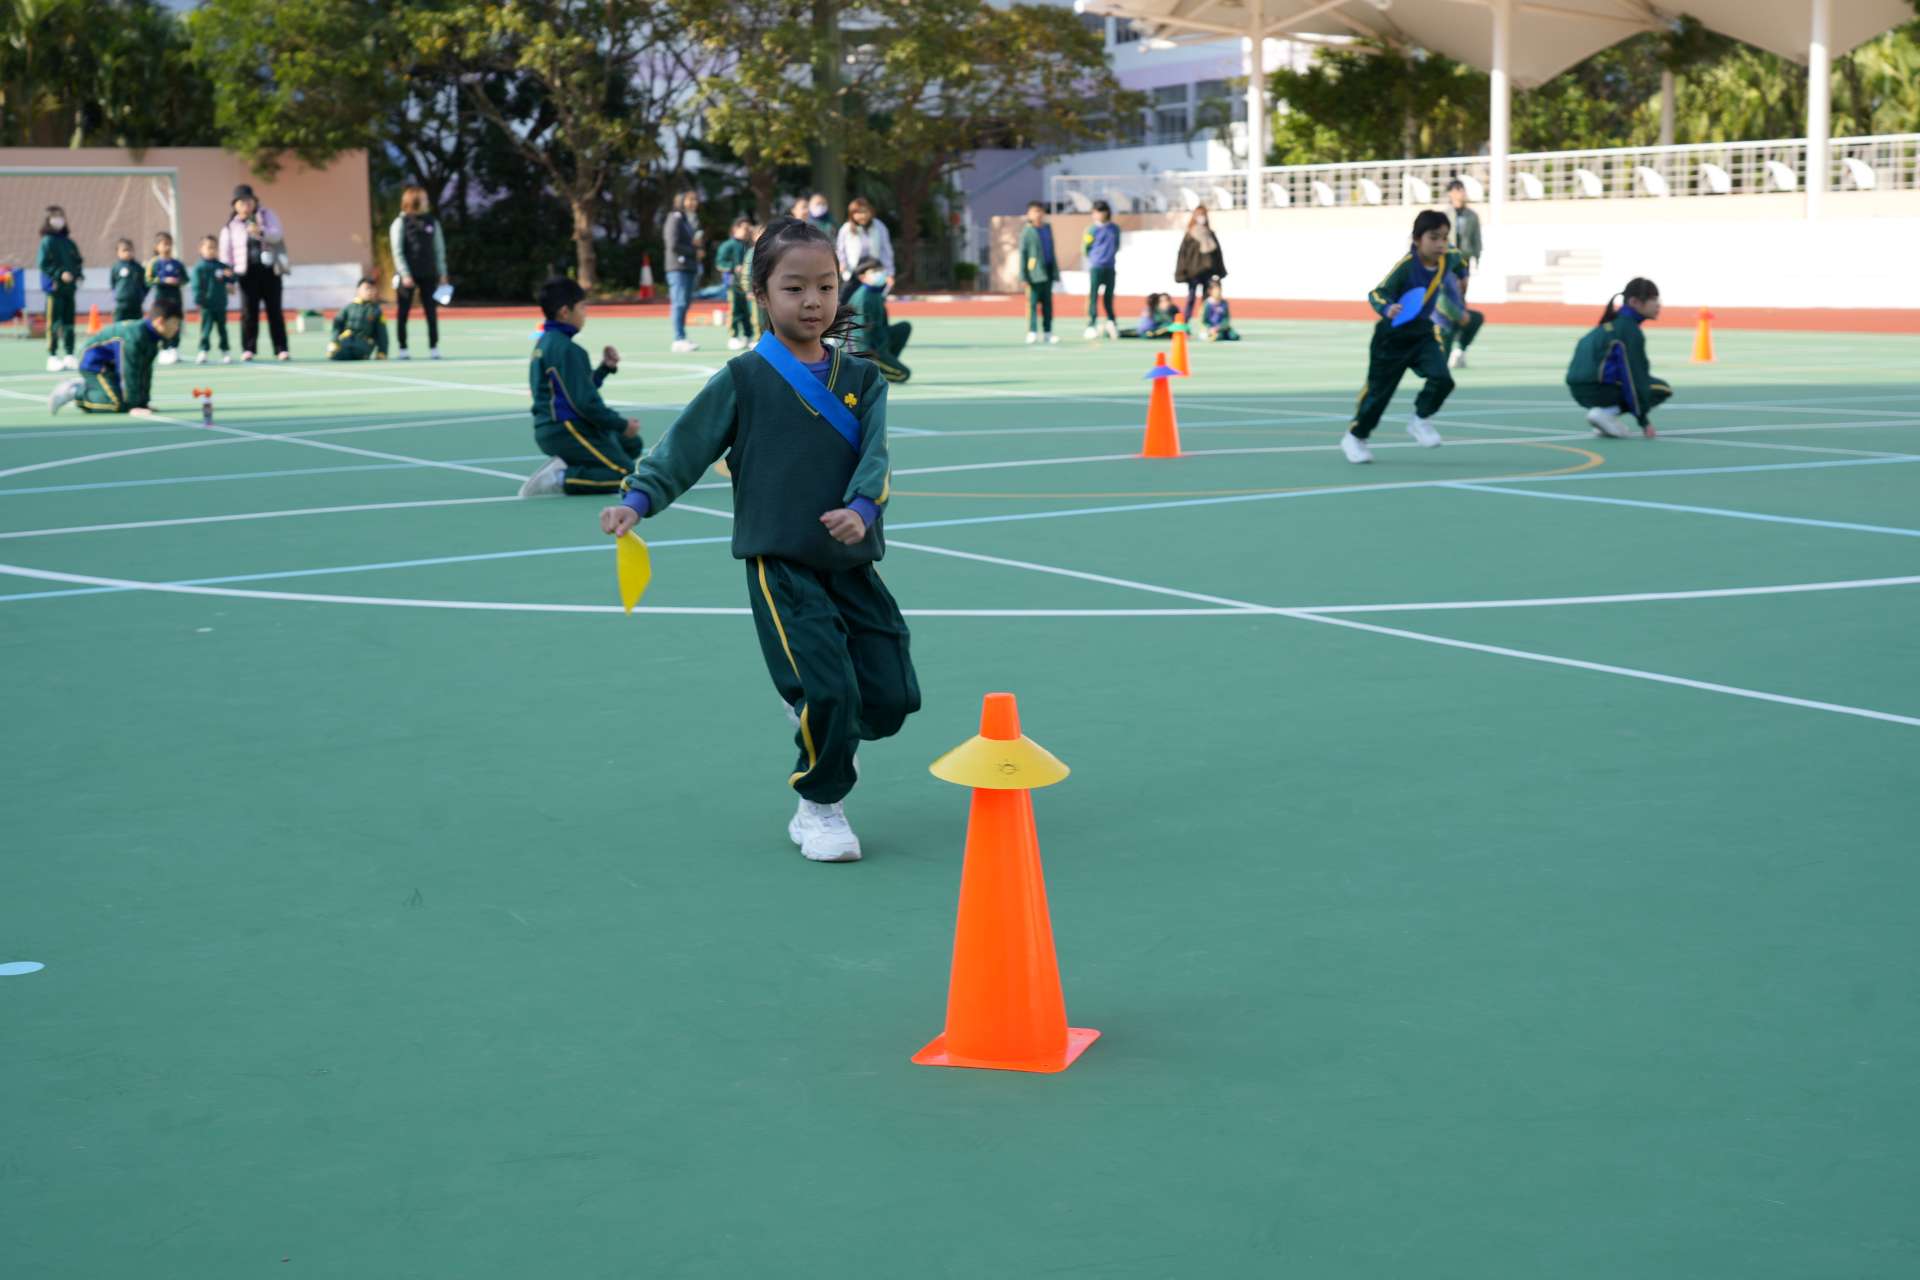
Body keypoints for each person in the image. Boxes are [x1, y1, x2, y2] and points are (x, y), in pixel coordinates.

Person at [600, 217, 917, 863]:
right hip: (782, 563)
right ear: (762, 296)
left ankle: (811, 710)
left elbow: (876, 462)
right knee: (831, 692)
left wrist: (861, 507)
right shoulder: (744, 378)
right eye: (794, 287)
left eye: (826, 287)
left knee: (889, 700)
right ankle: (820, 805)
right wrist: (638, 499)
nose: (812, 302)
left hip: (851, 562)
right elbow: (684, 447)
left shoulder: (864, 378)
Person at [1340, 210, 1465, 464]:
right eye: (1434, 238)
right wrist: (1388, 308)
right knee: (1378, 395)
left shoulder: (1448, 257)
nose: (1441, 243)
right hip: (1392, 339)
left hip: (1422, 335)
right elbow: (1377, 293)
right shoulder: (1406, 267)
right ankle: (1355, 436)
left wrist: (1463, 279)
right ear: (1418, 239)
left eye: (1444, 237)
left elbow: (1460, 261)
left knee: (1442, 379)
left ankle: (1420, 419)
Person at [519, 277, 642, 497]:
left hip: (554, 427)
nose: (585, 313)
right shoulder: (568, 350)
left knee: (631, 445)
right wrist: (620, 424)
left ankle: (578, 465)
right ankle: (560, 478)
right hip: (566, 428)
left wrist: (604, 369)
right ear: (565, 312)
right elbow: (585, 403)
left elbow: (575, 389)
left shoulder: (547, 342)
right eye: (582, 307)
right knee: (625, 475)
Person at [1567, 277, 1671, 439]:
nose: (1658, 305)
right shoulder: (1629, 330)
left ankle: (1604, 417)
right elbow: (1634, 377)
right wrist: (1644, 421)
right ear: (1634, 302)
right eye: (1652, 299)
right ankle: (1605, 413)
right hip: (1599, 390)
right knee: (1661, 389)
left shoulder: (1612, 324)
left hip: (1578, 390)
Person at [48, 296, 182, 416]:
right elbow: (128, 372)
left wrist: (143, 403)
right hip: (93, 363)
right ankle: (76, 391)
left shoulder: (153, 338)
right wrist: (133, 406)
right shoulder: (135, 337)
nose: (177, 328)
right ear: (160, 321)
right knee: (117, 403)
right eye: (175, 323)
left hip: (112, 365)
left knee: (124, 399)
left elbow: (145, 371)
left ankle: (94, 388)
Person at [219, 184, 290, 361]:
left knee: (274, 310)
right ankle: (248, 348)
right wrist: (227, 272)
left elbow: (278, 234)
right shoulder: (230, 226)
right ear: (235, 205)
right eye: (241, 202)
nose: (245, 205)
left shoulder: (266, 215)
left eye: (248, 201)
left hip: (270, 271)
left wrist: (261, 230)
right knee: (248, 312)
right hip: (246, 273)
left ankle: (281, 348)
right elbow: (225, 252)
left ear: (254, 202)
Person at [389, 185, 449, 361]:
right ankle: (403, 347)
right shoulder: (400, 222)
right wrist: (405, 274)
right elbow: (397, 251)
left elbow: (439, 249)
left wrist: (442, 272)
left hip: (429, 274)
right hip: (407, 276)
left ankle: (433, 346)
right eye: (423, 198)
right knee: (403, 312)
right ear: (413, 200)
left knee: (431, 312)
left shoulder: (432, 222)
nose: (426, 201)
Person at [1444, 180, 1485, 370]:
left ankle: (1459, 348)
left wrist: (1476, 257)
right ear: (1450, 193)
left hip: (1463, 262)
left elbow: (1477, 238)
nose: (1461, 193)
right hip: (1446, 262)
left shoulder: (1472, 215)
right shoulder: (1443, 215)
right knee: (1447, 301)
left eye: (1462, 189)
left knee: (1461, 301)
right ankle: (1447, 347)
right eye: (1457, 189)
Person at [36, 205, 83, 372]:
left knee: (69, 323)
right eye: (54, 216)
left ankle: (70, 354)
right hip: (54, 289)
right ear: (48, 220)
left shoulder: (69, 242)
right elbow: (43, 264)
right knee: (54, 323)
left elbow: (77, 261)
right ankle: (52, 356)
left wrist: (78, 275)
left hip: (69, 289)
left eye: (61, 216)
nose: (58, 220)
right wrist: (59, 274)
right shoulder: (47, 241)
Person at [849, 256, 910, 383]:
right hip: (868, 349)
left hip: (879, 342)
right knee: (903, 374)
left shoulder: (876, 293)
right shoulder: (863, 298)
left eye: (880, 270)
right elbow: (857, 335)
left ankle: (887, 362)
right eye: (874, 272)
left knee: (904, 327)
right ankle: (873, 373)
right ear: (862, 277)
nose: (879, 274)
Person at [663, 190, 704, 353]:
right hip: (677, 267)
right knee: (679, 302)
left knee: (685, 302)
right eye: (690, 199)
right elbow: (672, 244)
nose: (694, 202)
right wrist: (694, 251)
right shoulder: (674, 218)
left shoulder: (688, 220)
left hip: (688, 267)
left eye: (696, 199)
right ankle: (678, 338)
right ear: (680, 200)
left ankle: (682, 336)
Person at [1175, 204, 1227, 323]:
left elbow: (1217, 254)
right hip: (1193, 273)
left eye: (1203, 215)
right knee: (1191, 299)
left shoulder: (1210, 234)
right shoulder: (1190, 235)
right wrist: (1182, 272)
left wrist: (1220, 271)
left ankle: (1206, 324)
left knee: (1206, 300)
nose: (1201, 218)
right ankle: (1185, 323)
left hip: (1207, 272)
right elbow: (1183, 255)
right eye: (1199, 215)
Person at [835, 197, 894, 300]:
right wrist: (842, 264)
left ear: (870, 212)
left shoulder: (879, 226)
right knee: (844, 299)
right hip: (852, 271)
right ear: (851, 214)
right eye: (858, 213)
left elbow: (886, 250)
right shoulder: (846, 228)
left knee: (874, 300)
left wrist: (890, 273)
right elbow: (840, 250)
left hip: (874, 269)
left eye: (865, 212)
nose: (862, 216)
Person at [1018, 201, 1060, 345]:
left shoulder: (1048, 228)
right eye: (1035, 211)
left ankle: (1048, 332)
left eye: (1040, 211)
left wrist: (1055, 270)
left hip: (1047, 271)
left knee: (1048, 304)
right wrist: (1023, 275)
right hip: (1034, 273)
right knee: (1033, 304)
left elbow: (1051, 251)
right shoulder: (1027, 231)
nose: (1038, 214)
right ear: (1029, 214)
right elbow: (1023, 254)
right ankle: (1032, 331)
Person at [714, 215, 756, 350]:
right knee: (735, 310)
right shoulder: (727, 245)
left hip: (747, 285)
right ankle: (734, 336)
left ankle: (749, 336)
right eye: (744, 228)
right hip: (733, 284)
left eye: (749, 228)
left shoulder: (750, 246)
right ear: (735, 229)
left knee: (749, 311)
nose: (747, 231)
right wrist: (734, 267)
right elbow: (719, 263)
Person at [1081, 199, 1121, 340]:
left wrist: (1108, 257)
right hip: (1096, 267)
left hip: (1110, 267)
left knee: (1108, 297)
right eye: (1095, 212)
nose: (1097, 214)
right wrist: (1096, 258)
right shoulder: (1091, 230)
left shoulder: (1114, 229)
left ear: (1106, 212)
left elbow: (1116, 245)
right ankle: (1091, 324)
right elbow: (1085, 248)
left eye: (1100, 211)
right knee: (1093, 296)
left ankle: (1112, 322)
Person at [190, 235, 233, 365]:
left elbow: (231, 279)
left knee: (222, 329)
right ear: (201, 249)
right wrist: (199, 300)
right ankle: (203, 351)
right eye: (208, 247)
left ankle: (225, 351)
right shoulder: (199, 267)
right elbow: (196, 285)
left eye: (214, 247)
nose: (212, 250)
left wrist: (230, 276)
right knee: (206, 330)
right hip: (206, 306)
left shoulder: (222, 266)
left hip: (220, 304)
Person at [146, 232, 188, 365]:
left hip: (175, 298)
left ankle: (174, 348)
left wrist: (178, 281)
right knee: (162, 323)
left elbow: (186, 278)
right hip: (161, 299)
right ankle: (164, 350)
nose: (167, 247)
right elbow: (148, 280)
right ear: (157, 246)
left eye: (169, 244)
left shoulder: (177, 263)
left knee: (176, 323)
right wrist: (164, 280)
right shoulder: (154, 263)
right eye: (164, 244)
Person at [327, 277, 391, 361]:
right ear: (358, 290)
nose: (369, 292)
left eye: (372, 289)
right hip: (347, 340)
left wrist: (382, 352)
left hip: (363, 343)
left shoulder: (376, 310)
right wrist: (334, 341)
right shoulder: (349, 307)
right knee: (337, 355)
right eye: (367, 289)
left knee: (356, 353)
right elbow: (337, 324)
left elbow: (382, 334)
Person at [109, 239, 146, 324]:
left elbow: (143, 284)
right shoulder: (116, 267)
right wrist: (115, 302)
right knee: (118, 327)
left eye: (130, 250)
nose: (128, 253)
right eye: (124, 250)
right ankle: (118, 337)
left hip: (136, 304)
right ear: (118, 253)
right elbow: (113, 285)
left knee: (136, 326)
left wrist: (141, 297)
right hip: (121, 304)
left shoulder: (138, 267)